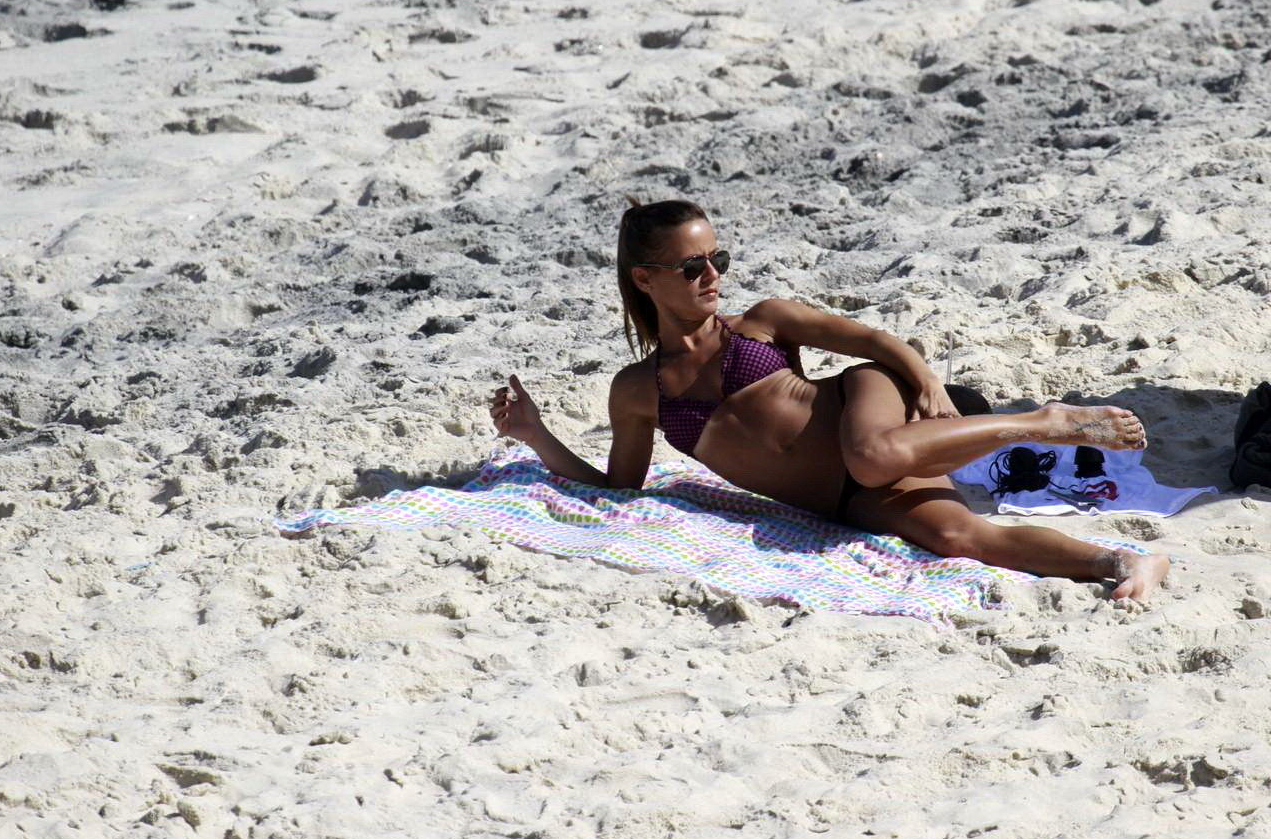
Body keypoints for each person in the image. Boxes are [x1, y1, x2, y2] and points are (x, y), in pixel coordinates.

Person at [489, 199, 1169, 601]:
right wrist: (536, 435)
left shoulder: (763, 321)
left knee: (874, 452)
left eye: (717, 259)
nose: (712, 277)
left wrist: (926, 381)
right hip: (844, 496)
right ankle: (1121, 561)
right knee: (960, 537)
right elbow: (618, 488)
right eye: (692, 267)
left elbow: (871, 339)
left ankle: (1044, 422)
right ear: (645, 278)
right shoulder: (637, 391)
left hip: (862, 403)